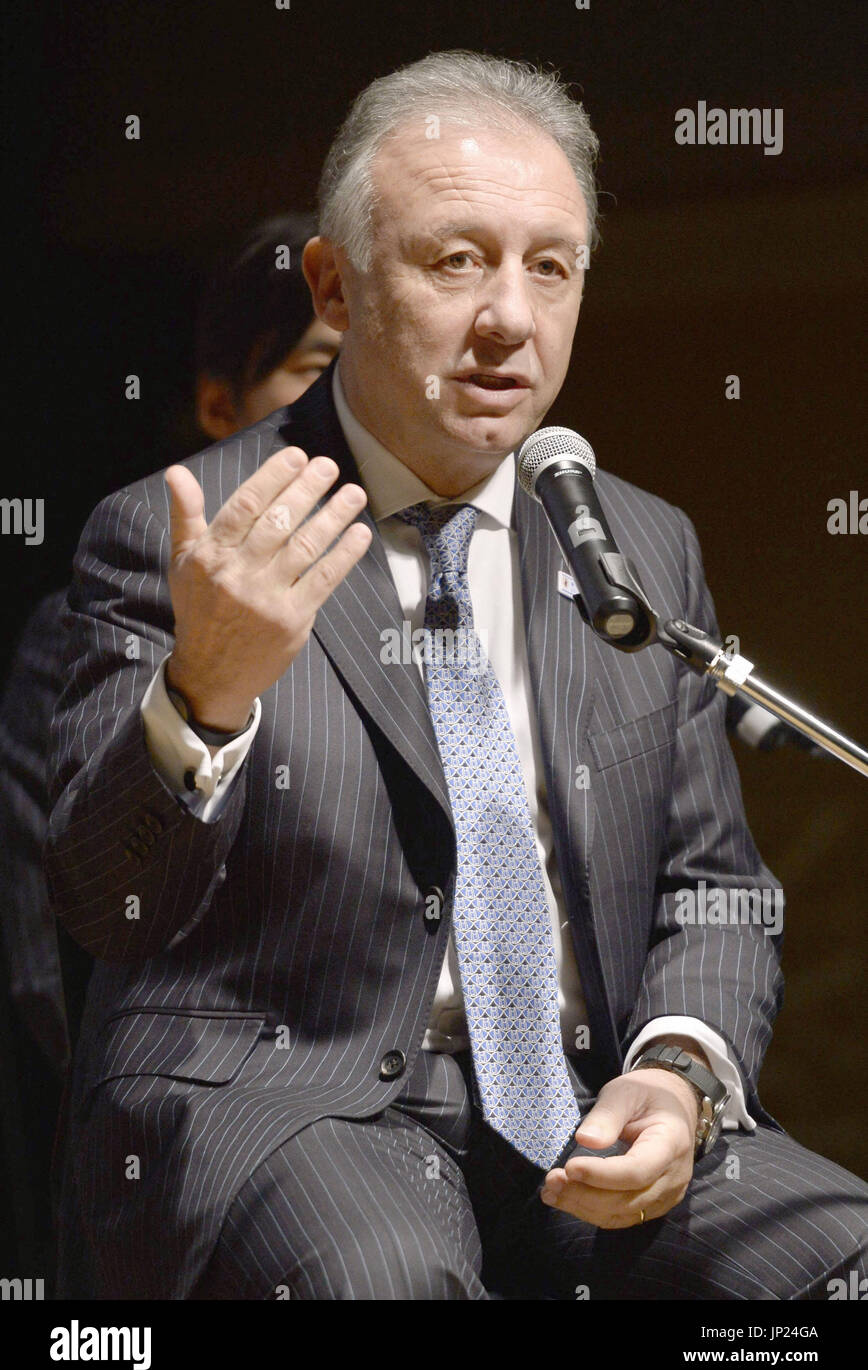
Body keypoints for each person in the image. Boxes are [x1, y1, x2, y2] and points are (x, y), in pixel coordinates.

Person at [45, 51, 867, 1301]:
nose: (510, 319)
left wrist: (677, 1073)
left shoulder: (634, 545)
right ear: (334, 279)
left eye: (550, 266)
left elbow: (713, 889)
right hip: (292, 1110)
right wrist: (201, 693)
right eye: (454, 260)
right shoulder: (189, 527)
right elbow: (106, 908)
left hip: (577, 1111)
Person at [0, 211, 339, 1280]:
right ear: (216, 407)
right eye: (316, 370)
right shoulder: (100, 612)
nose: (348, 413)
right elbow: (48, 951)